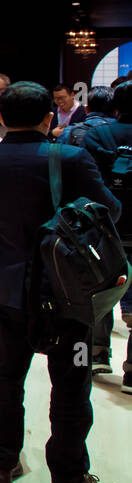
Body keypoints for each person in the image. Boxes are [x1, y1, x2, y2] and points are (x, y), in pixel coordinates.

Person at [0, 81, 124, 483]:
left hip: (7, 291)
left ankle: (3, 462)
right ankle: (69, 479)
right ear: (48, 117)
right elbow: (110, 209)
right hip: (66, 295)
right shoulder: (71, 158)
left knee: (5, 375)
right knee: (71, 382)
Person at [81, 80, 132, 382]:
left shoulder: (98, 134)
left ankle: (98, 354)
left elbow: (87, 181)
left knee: (102, 287)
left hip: (105, 224)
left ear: (115, 106)